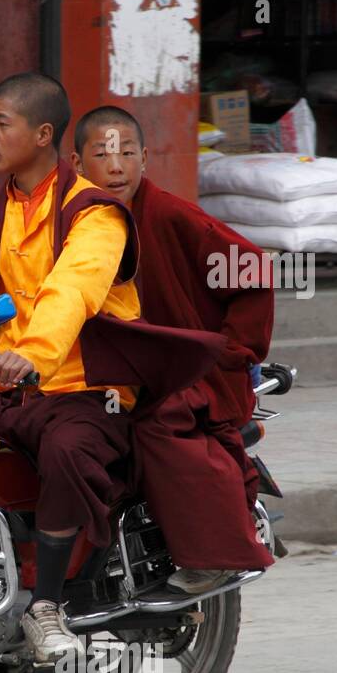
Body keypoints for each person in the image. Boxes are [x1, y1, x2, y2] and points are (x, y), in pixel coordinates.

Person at [0, 73, 220, 663]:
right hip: (5, 388)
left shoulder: (95, 214)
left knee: (68, 451)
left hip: (83, 390)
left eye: (3, 123)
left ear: (43, 133)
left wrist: (34, 354)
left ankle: (46, 605)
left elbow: (71, 292)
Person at [72, 105, 275, 593]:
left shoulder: (170, 216)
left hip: (189, 371)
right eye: (102, 154)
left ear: (145, 159)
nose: (115, 167)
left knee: (159, 421)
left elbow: (253, 271)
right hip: (112, 370)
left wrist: (232, 353)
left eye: (126, 154)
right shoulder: (77, 222)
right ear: (78, 166)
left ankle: (211, 555)